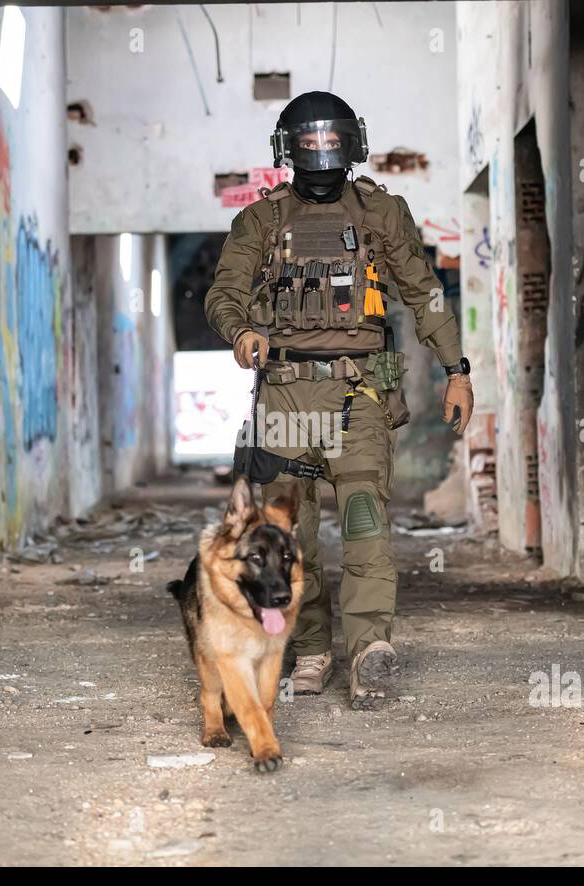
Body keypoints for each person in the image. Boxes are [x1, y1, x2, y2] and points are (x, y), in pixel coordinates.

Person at [204, 91, 474, 708]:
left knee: (366, 526)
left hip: (361, 398)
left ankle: (370, 648)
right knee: (287, 538)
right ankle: (313, 647)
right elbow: (223, 294)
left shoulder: (382, 213)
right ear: (289, 152)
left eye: (331, 144)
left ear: (350, 147)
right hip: (285, 401)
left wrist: (456, 369)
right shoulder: (261, 221)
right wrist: (241, 331)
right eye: (310, 145)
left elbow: (424, 293)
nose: (321, 156)